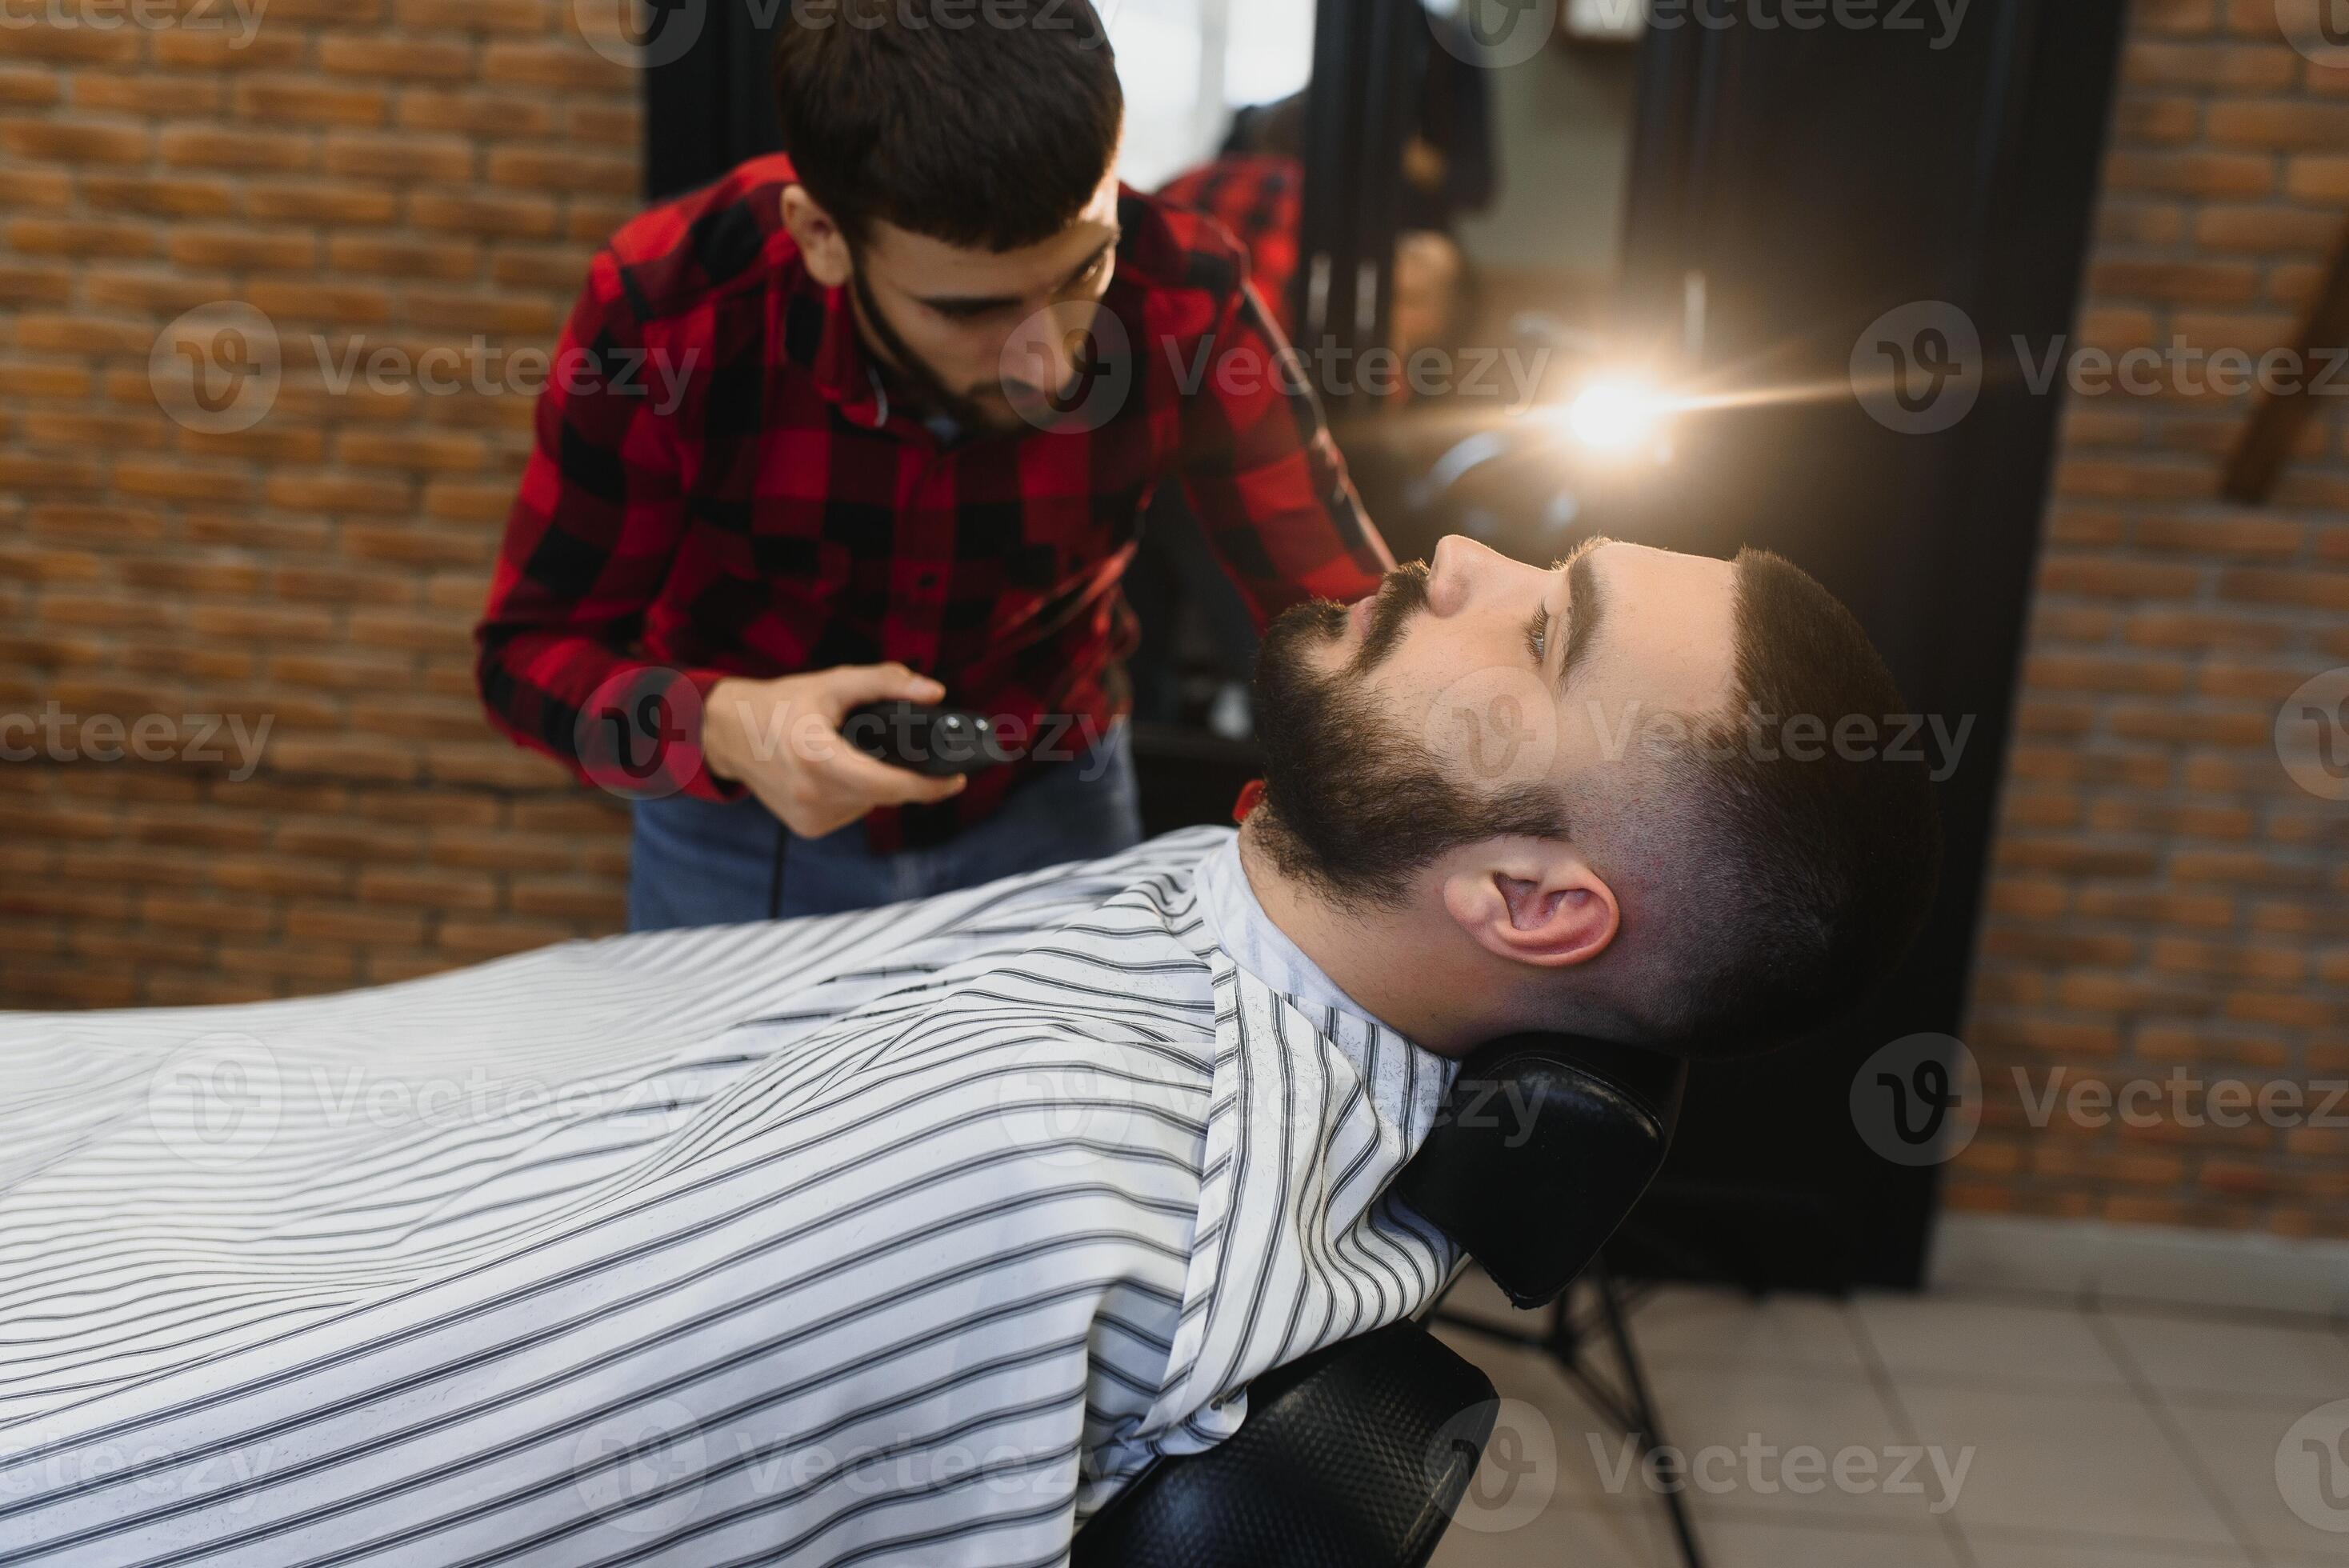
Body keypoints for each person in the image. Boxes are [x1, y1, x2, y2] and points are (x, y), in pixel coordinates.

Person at [2, 536, 1939, 1564]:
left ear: (1528, 907)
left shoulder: (1037, 1167)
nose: (1453, 553)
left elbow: (194, 1471)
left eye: (1538, 636)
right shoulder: (1268, 919)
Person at [473, 0, 1391, 932]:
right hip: (737, 830)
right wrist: (722, 726)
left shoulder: (1185, 293)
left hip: (1053, 799)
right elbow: (523, 661)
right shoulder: (669, 309)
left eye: (1085, 270)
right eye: (968, 310)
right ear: (822, 237)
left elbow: (1358, 631)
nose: (1055, 362)